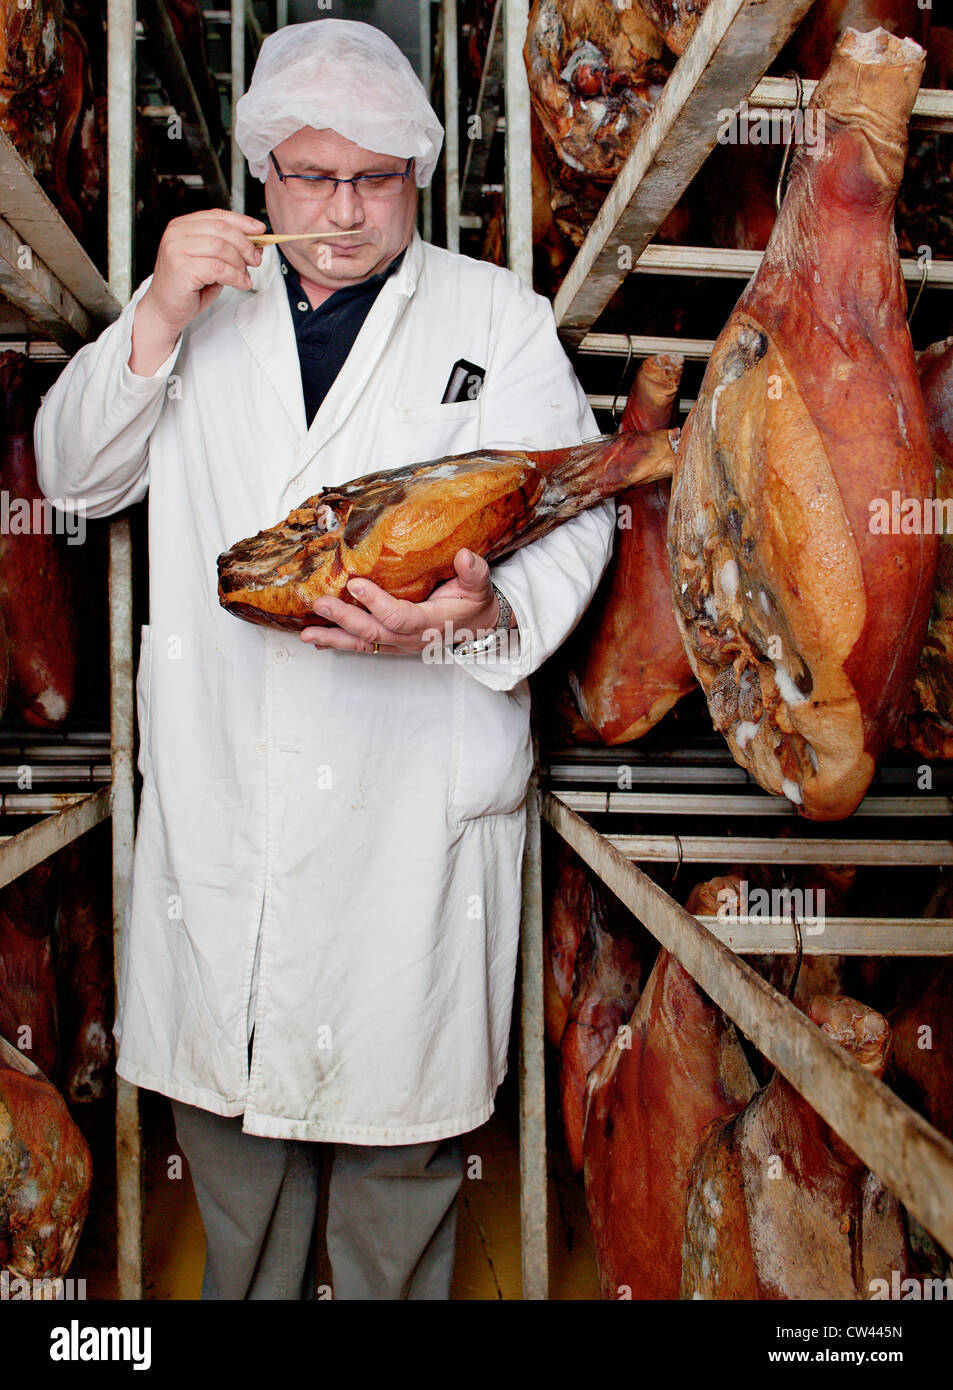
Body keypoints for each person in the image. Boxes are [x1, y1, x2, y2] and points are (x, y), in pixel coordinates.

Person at [35, 18, 614, 1300]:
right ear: (261, 175)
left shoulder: (494, 318)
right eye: (310, 177)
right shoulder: (197, 311)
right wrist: (155, 311)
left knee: (395, 1183)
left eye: (375, 179)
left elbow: (575, 522)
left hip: (406, 815)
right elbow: (75, 474)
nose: (342, 211)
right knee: (233, 1177)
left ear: (417, 172)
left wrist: (466, 621)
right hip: (229, 808)